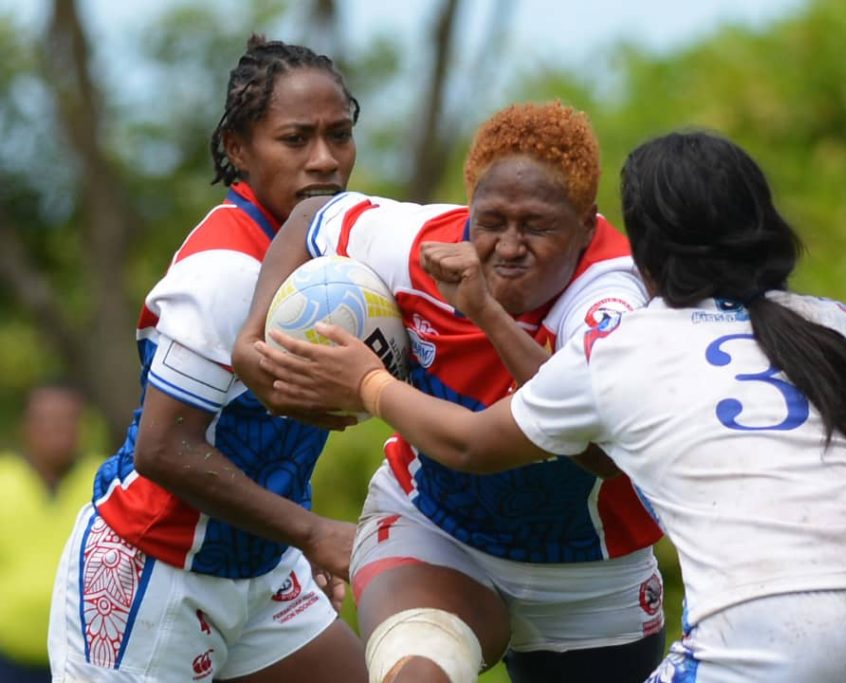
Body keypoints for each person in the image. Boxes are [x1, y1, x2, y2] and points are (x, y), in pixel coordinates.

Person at [255, 130, 846, 682]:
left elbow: (474, 444)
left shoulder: (628, 343)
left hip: (764, 635)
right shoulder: (841, 326)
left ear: (638, 251)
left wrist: (367, 384)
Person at [232, 101, 666, 683]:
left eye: (536, 227)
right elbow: (313, 214)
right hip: (434, 528)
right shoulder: (415, 242)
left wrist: (483, 312)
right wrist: (250, 337)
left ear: (586, 227)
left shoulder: (611, 297)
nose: (508, 248)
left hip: (587, 572)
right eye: (490, 222)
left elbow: (599, 452)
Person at [47, 35, 368, 682]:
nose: (325, 160)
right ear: (237, 148)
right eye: (296, 139)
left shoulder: (330, 253)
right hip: (153, 571)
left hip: (259, 570)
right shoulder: (225, 269)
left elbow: (265, 432)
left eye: (339, 134)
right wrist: (310, 531)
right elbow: (163, 449)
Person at [0, 383, 98, 683]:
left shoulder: (105, 482)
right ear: (26, 426)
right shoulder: (4, 479)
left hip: (87, 660)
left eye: (66, 419)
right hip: (9, 657)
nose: (57, 430)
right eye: (46, 420)